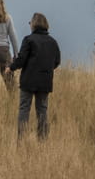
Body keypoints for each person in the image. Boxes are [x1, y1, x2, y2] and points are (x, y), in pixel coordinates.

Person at [6, 12, 61, 140]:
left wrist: (11, 68)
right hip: (45, 81)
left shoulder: (29, 40)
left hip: (28, 80)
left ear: (34, 24)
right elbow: (57, 61)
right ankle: (42, 140)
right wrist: (46, 69)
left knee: (24, 108)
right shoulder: (53, 42)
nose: (30, 25)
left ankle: (22, 139)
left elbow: (21, 59)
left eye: (30, 22)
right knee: (42, 110)